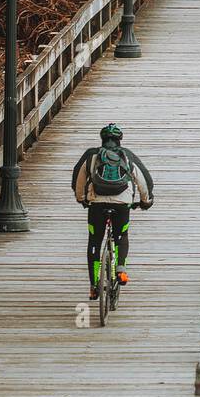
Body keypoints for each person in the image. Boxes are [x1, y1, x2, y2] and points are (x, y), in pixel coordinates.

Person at [70, 124, 154, 299]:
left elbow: (78, 179)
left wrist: (81, 198)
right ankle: (121, 268)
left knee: (94, 240)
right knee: (121, 235)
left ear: (102, 139)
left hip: (97, 203)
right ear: (119, 140)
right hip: (122, 203)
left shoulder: (92, 155)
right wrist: (146, 201)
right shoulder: (126, 155)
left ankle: (94, 285)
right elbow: (143, 180)